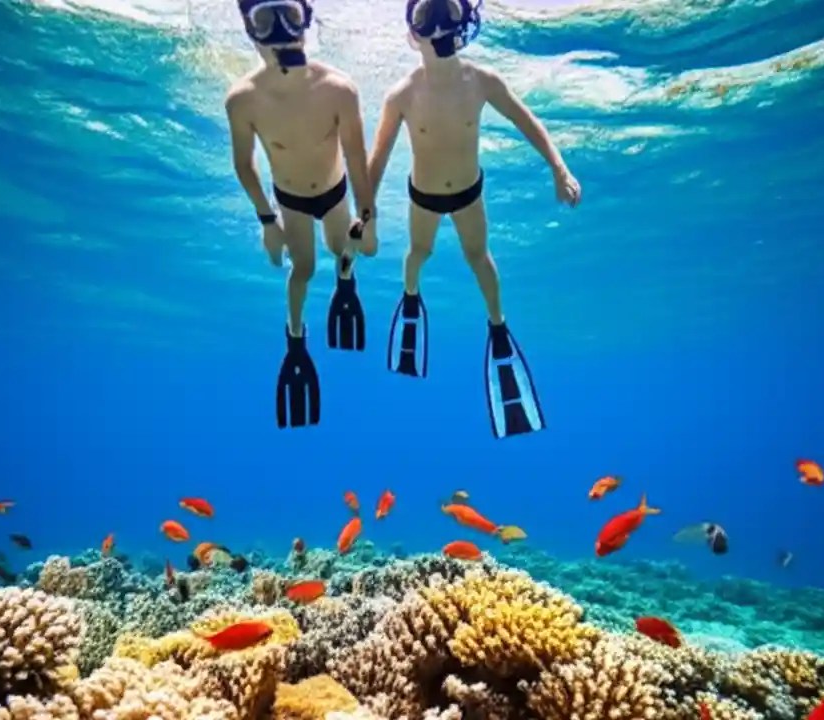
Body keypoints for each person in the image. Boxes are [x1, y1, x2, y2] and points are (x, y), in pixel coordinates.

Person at [366, 0, 581, 439]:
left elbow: (527, 122)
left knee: (480, 258)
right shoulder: (401, 94)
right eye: (428, 14)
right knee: (418, 254)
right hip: (422, 197)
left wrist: (560, 167)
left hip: (468, 194)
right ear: (413, 32)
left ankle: (498, 326)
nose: (438, 25)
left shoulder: (482, 81)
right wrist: (363, 214)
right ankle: (410, 297)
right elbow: (379, 158)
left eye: (446, 11)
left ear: (464, 21)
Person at [224, 0, 378, 430]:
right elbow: (244, 164)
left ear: (307, 19)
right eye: (264, 18)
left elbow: (356, 156)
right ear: (250, 30)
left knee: (339, 247)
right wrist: (267, 221)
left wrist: (368, 217)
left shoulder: (338, 88)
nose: (279, 30)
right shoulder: (243, 100)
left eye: (288, 14)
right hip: (289, 201)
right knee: (304, 269)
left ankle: (346, 280)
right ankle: (295, 341)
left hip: (334, 192)